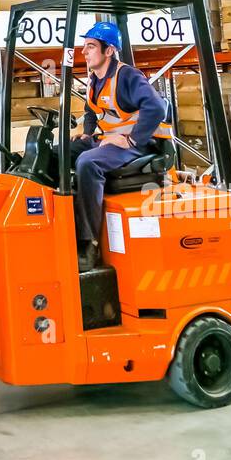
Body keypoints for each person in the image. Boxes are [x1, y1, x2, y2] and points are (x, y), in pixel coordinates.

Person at [71, 21, 170, 272]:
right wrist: (87, 133)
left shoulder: (127, 75)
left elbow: (156, 107)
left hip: (139, 144)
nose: (84, 52)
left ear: (109, 51)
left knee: (88, 163)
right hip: (112, 140)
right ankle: (64, 228)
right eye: (84, 46)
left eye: (91, 46)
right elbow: (91, 110)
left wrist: (130, 139)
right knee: (60, 152)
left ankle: (88, 242)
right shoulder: (95, 79)